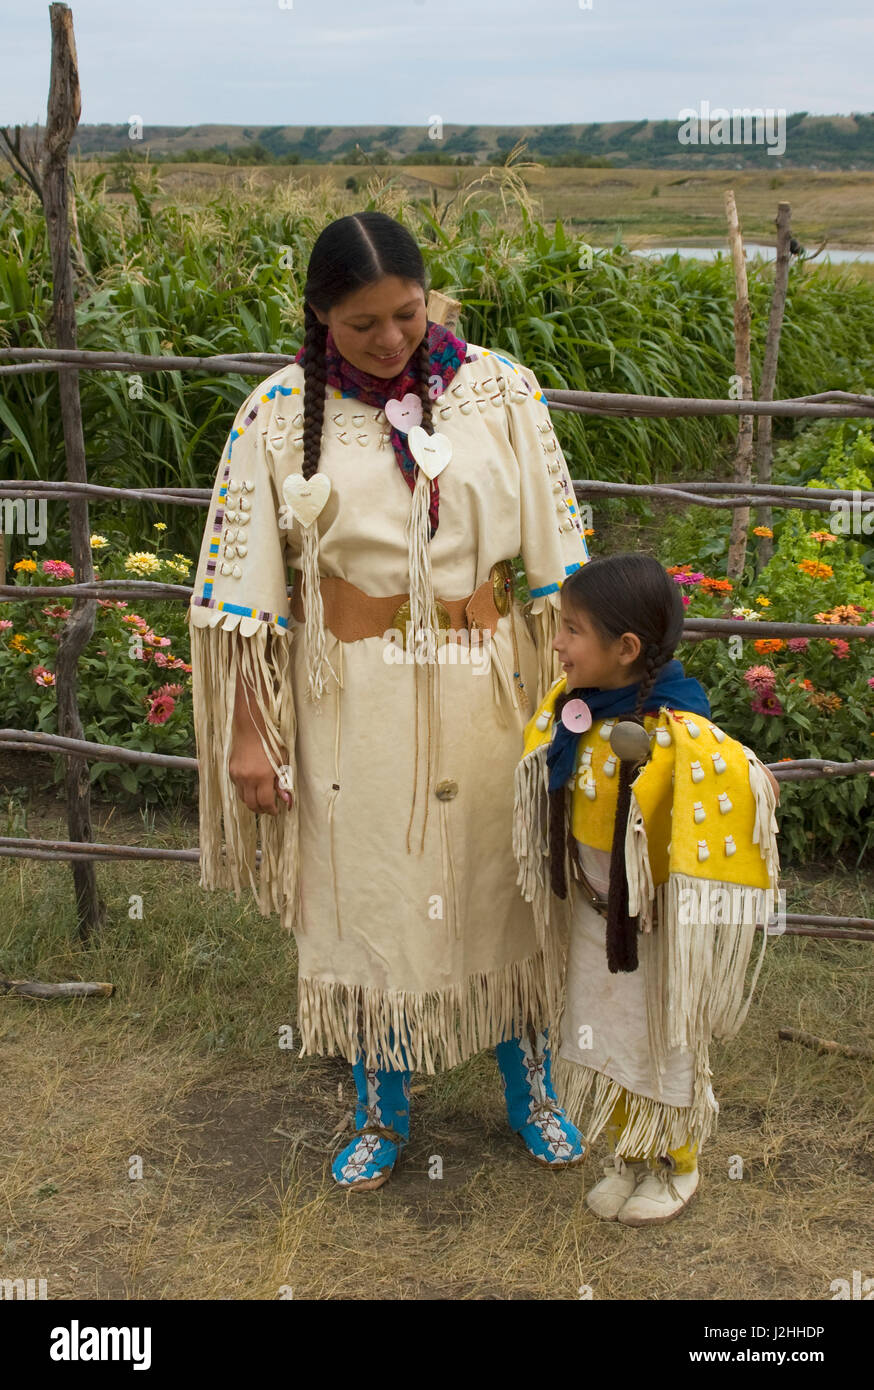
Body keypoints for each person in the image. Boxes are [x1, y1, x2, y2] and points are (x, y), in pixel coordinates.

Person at [187, 210, 592, 1191]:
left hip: (492, 683)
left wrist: (586, 701)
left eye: (405, 315)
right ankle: (380, 1104)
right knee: (366, 887)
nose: (389, 339)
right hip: (351, 698)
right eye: (361, 323)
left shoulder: (499, 392)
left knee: (509, 878)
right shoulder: (280, 414)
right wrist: (251, 735)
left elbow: (556, 562)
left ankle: (531, 1087)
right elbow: (242, 600)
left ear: (427, 295)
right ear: (319, 314)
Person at [513, 553, 782, 1225]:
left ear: (625, 647)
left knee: (661, 1042)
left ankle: (678, 1162)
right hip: (594, 914)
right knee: (609, 1036)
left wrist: (753, 779)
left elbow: (741, 784)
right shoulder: (575, 711)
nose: (558, 644)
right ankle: (632, 1154)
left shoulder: (681, 734)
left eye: (572, 630)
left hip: (654, 927)